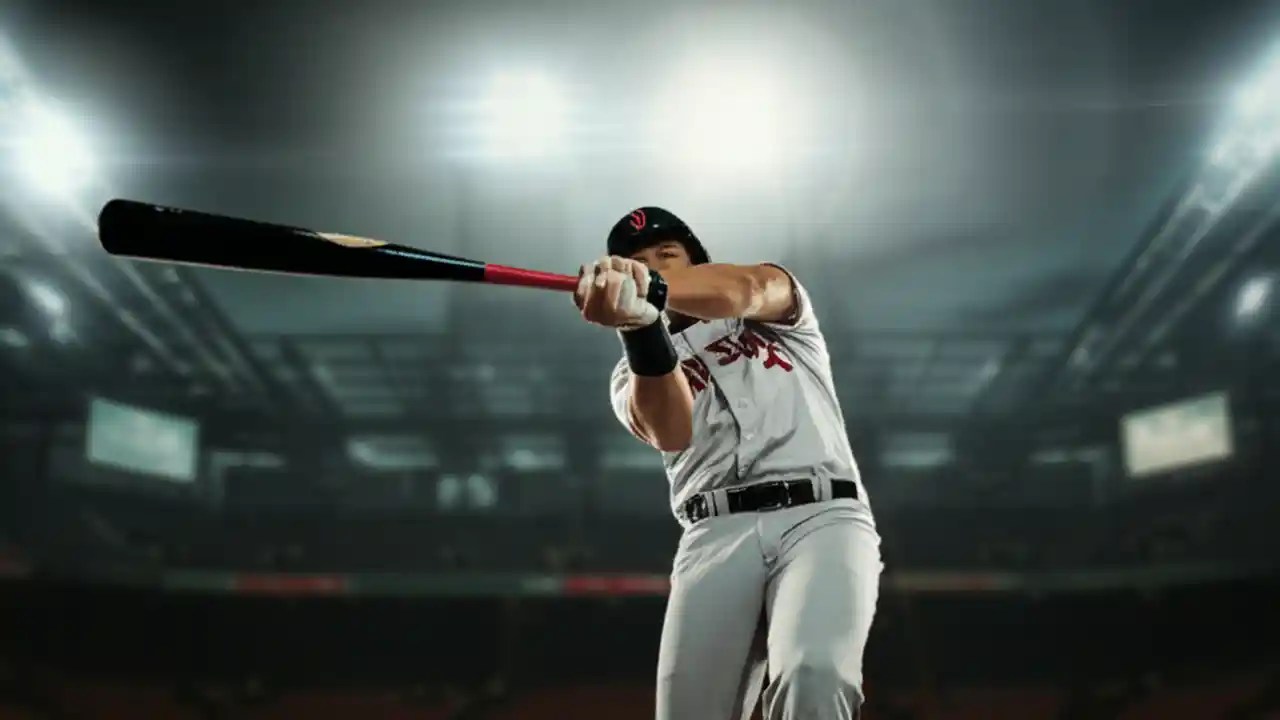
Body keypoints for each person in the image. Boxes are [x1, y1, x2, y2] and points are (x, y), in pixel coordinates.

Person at [572, 207, 884, 720]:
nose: (654, 267)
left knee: (814, 675)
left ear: (696, 261)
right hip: (713, 534)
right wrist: (640, 326)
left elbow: (745, 289)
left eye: (667, 255)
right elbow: (671, 430)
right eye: (638, 262)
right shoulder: (628, 375)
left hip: (821, 516)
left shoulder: (779, 310)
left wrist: (652, 286)